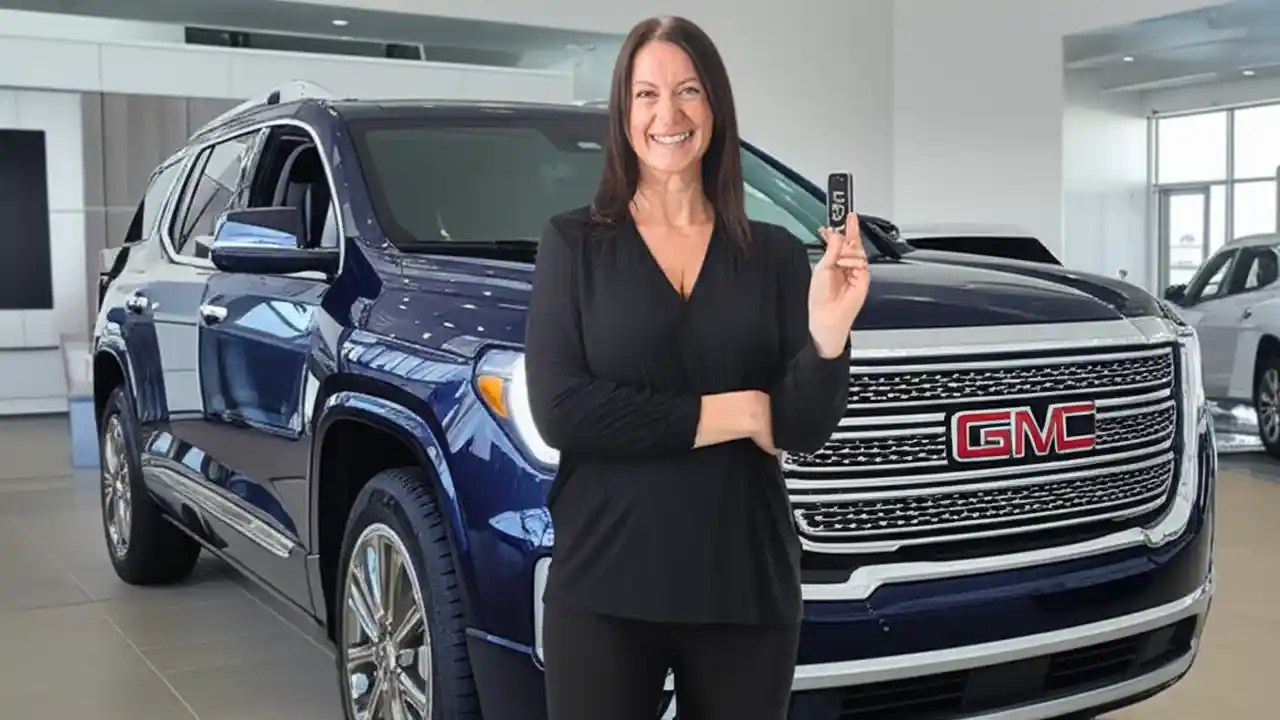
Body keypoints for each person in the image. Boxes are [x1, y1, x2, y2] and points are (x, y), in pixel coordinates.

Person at [523, 14, 870, 720]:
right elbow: (561, 409)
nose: (668, 114)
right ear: (624, 113)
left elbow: (798, 427)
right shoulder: (573, 246)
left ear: (715, 106)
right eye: (646, 95)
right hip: (605, 585)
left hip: (742, 584)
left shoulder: (773, 253)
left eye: (688, 91)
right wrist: (736, 412)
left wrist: (828, 337)